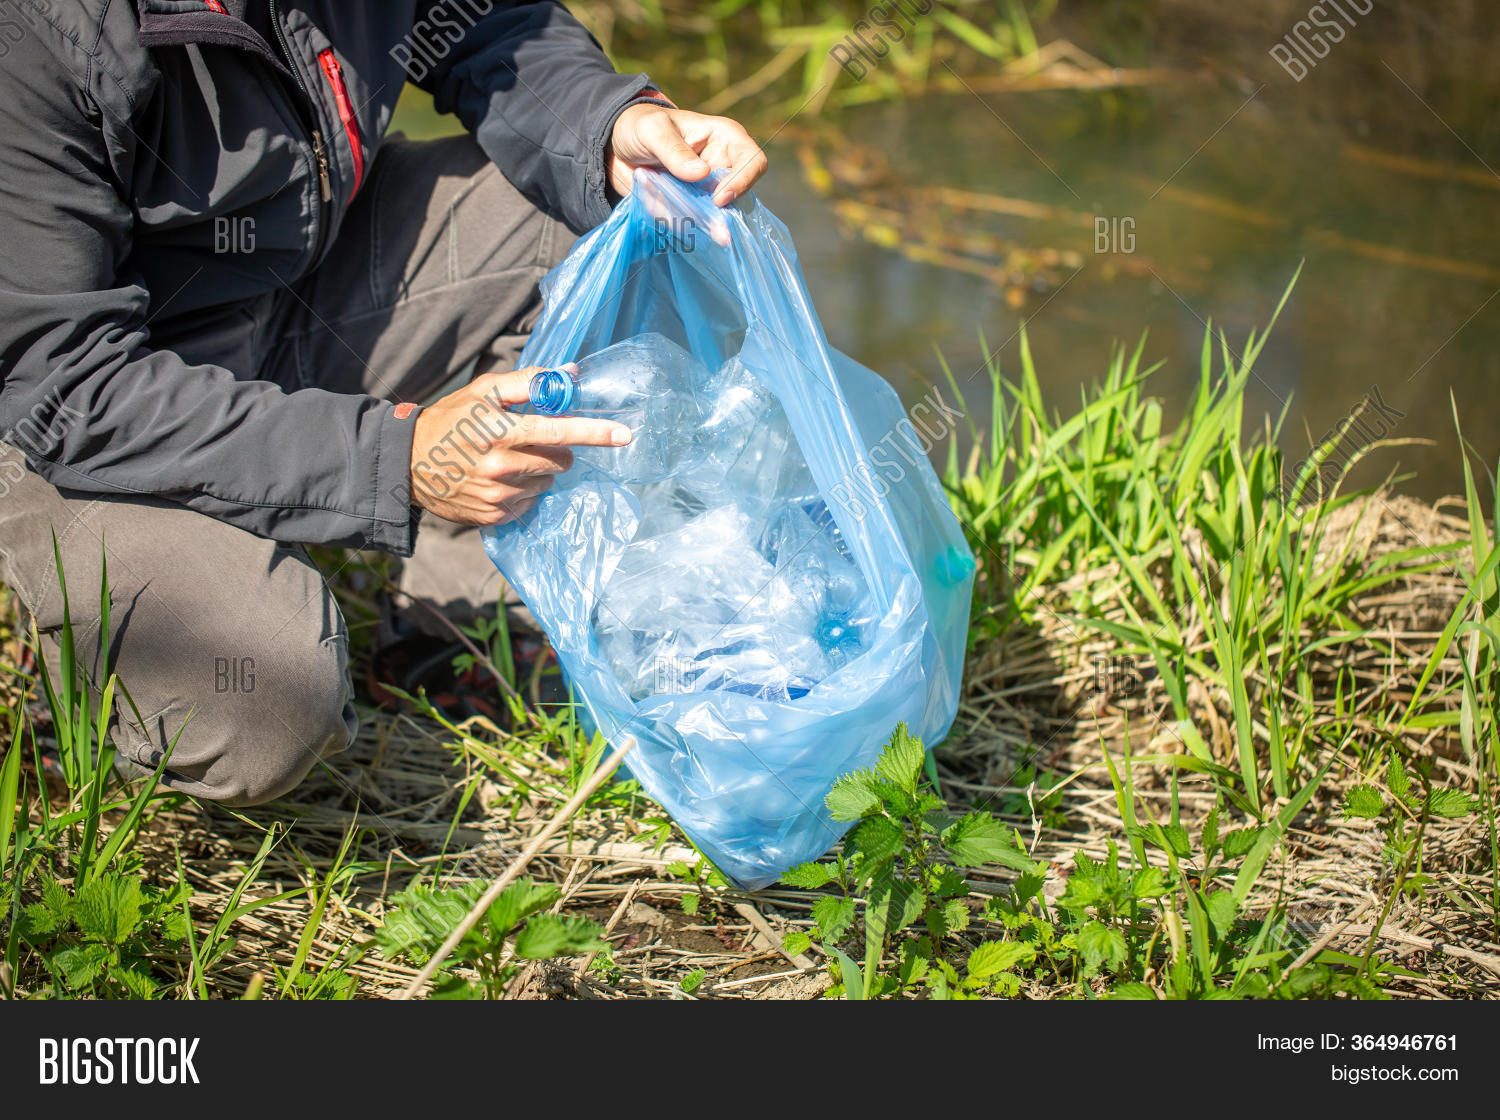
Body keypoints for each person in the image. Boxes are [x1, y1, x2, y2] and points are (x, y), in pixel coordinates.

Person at [0, 1, 767, 804]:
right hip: (77, 400)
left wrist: (608, 124)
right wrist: (393, 459)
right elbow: (63, 379)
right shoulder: (42, 32)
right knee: (264, 705)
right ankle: (88, 681)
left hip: (287, 282)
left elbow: (490, 25)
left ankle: (454, 619)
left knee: (628, 219)